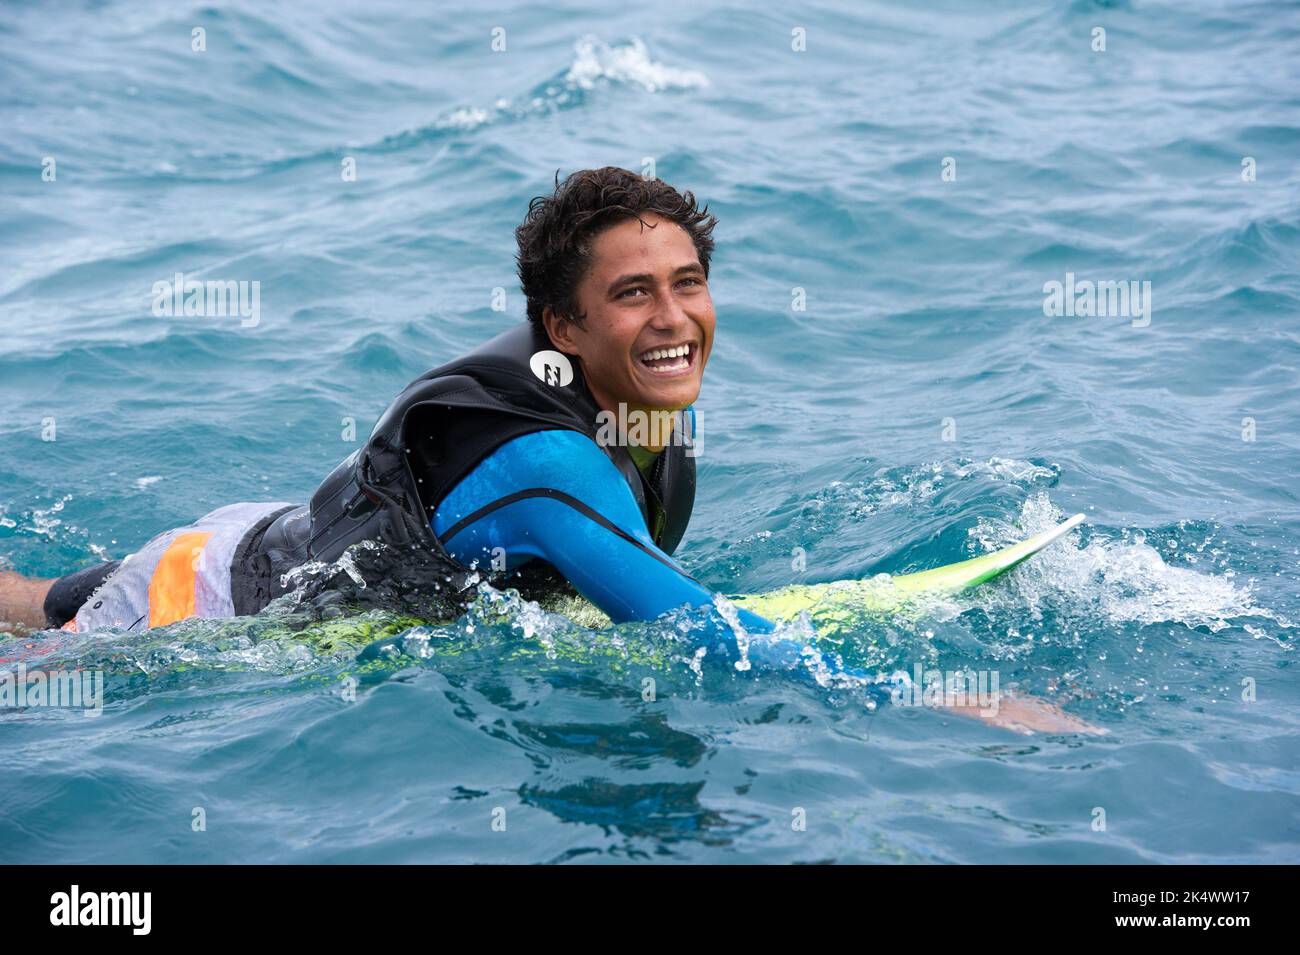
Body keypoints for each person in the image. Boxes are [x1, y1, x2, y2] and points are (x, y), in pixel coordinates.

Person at [0, 167, 1098, 735]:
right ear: (560, 331)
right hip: (207, 605)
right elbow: (702, 636)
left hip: (251, 540)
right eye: (632, 295)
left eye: (688, 284)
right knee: (36, 671)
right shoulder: (551, 463)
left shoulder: (640, 423)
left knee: (33, 595)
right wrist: (933, 697)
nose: (673, 318)